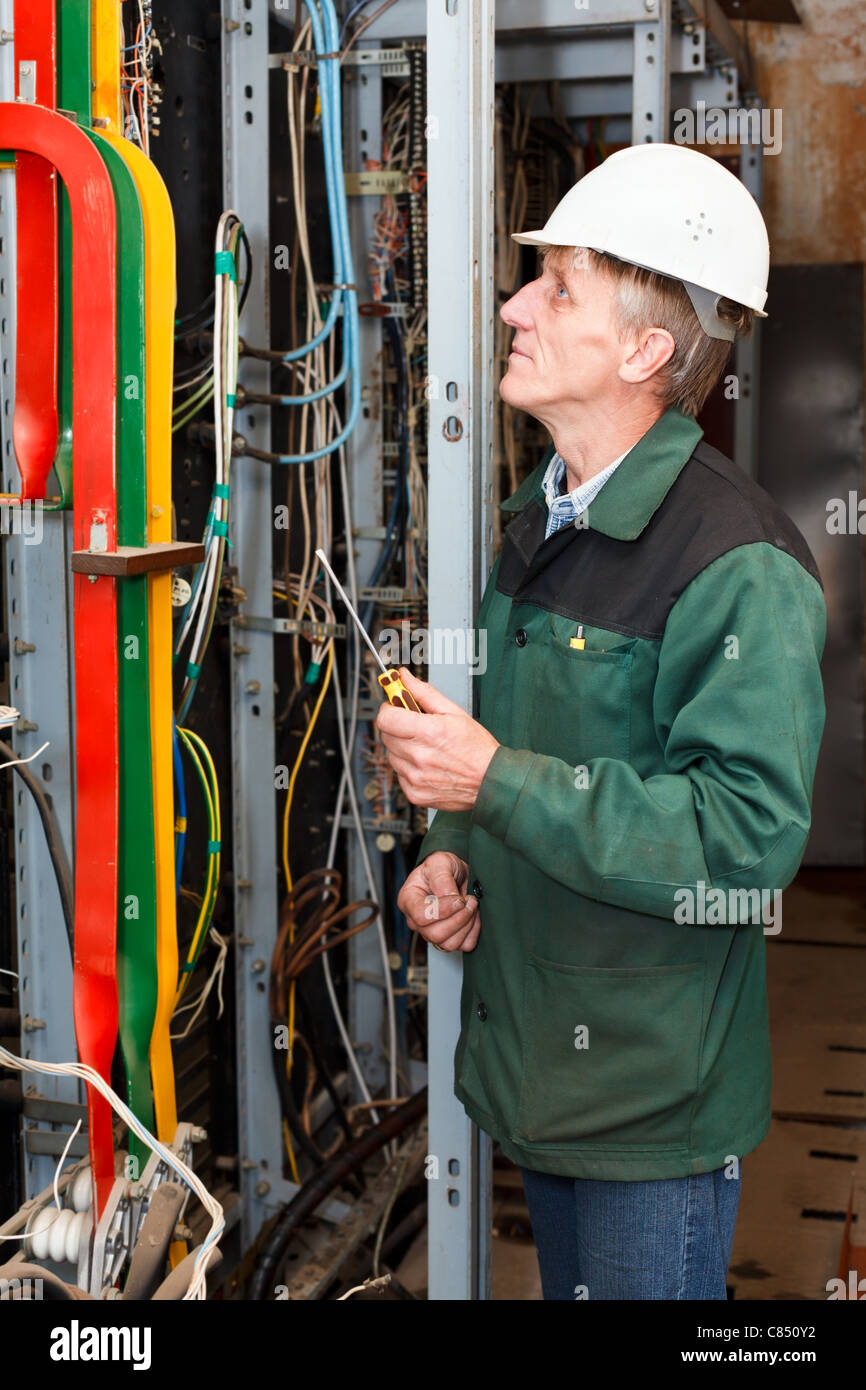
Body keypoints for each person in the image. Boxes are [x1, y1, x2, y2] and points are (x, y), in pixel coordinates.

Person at [375, 142, 827, 1300]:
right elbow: (527, 751)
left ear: (645, 350)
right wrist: (450, 851)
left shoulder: (736, 562)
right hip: (536, 1074)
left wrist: (491, 785)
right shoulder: (540, 516)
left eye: (556, 287)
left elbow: (743, 839)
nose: (516, 306)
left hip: (647, 1110)